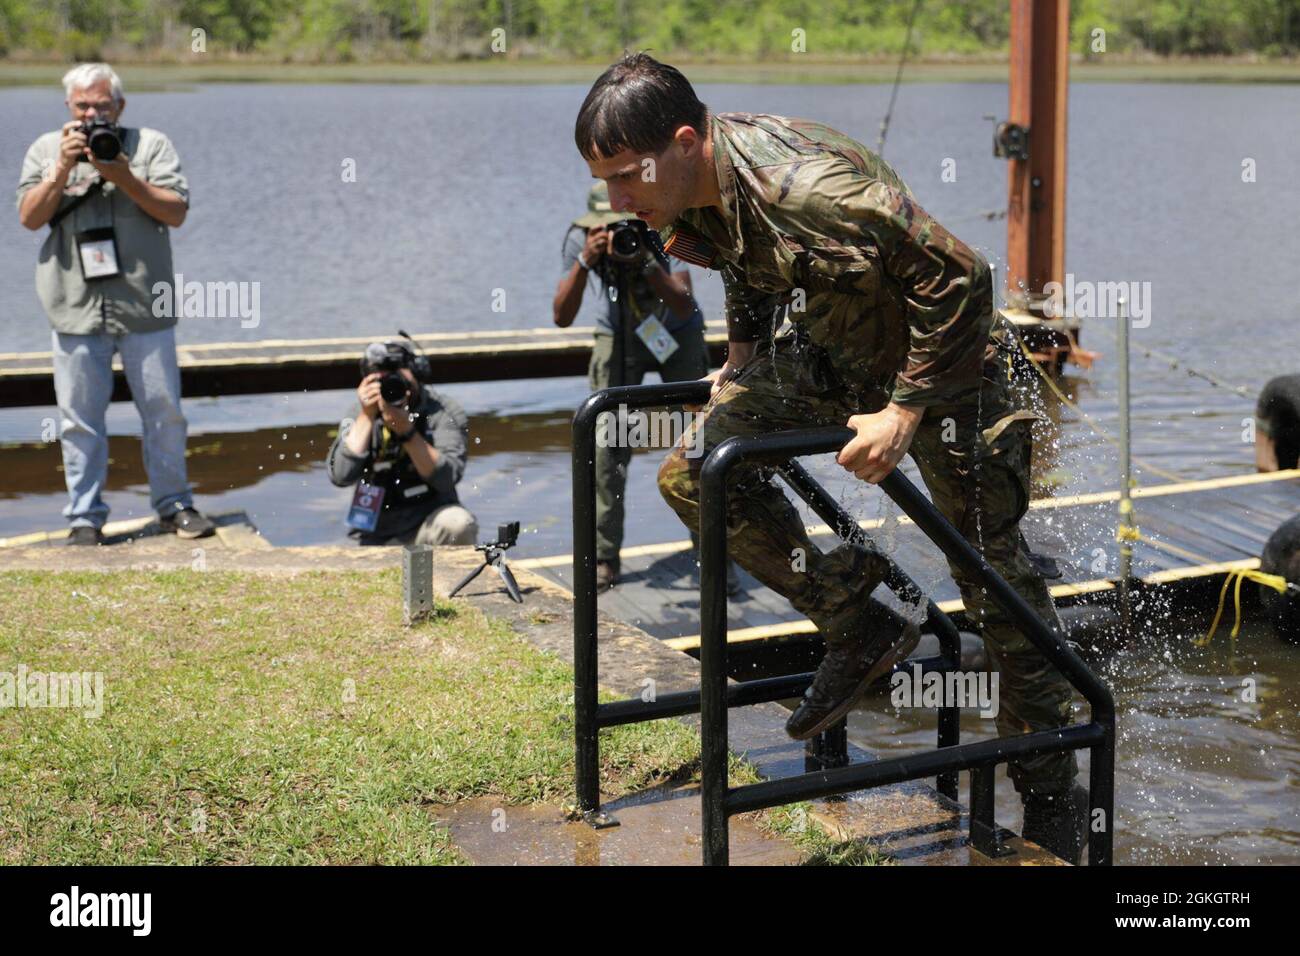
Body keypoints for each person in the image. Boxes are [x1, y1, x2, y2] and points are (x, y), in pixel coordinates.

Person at [573, 53, 1088, 862]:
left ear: (681, 142)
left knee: (990, 580)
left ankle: (1055, 793)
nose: (617, 199)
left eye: (625, 174)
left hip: (957, 377)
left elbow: (963, 275)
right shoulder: (696, 191)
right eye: (603, 180)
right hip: (838, 349)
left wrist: (905, 410)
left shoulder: (803, 191)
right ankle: (860, 619)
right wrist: (741, 362)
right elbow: (746, 265)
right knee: (696, 472)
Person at [16, 62, 214, 545]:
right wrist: (63, 168)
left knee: (164, 411)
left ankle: (175, 506)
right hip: (75, 307)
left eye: (102, 106)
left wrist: (122, 175)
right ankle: (85, 518)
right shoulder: (46, 150)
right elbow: (28, 217)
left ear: (119, 106)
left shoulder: (150, 146)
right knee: (80, 421)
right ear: (68, 106)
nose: (91, 115)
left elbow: (176, 212)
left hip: (145, 304)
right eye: (82, 105)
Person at [554, 181, 712, 593]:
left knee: (697, 441)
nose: (617, 232)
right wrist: (585, 263)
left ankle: (711, 554)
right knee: (606, 445)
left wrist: (644, 260)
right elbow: (561, 316)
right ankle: (605, 558)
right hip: (619, 333)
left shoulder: (661, 228)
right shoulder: (581, 241)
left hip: (675, 334)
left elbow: (683, 302)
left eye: (623, 224)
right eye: (606, 228)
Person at [327, 340, 478, 547]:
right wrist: (366, 416)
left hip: (428, 521)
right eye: (382, 378)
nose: (391, 385)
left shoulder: (442, 412)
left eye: (396, 376)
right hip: (375, 530)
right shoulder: (360, 413)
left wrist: (406, 432)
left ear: (417, 372)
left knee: (457, 524)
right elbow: (340, 475)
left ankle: (453, 577)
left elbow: (447, 477)